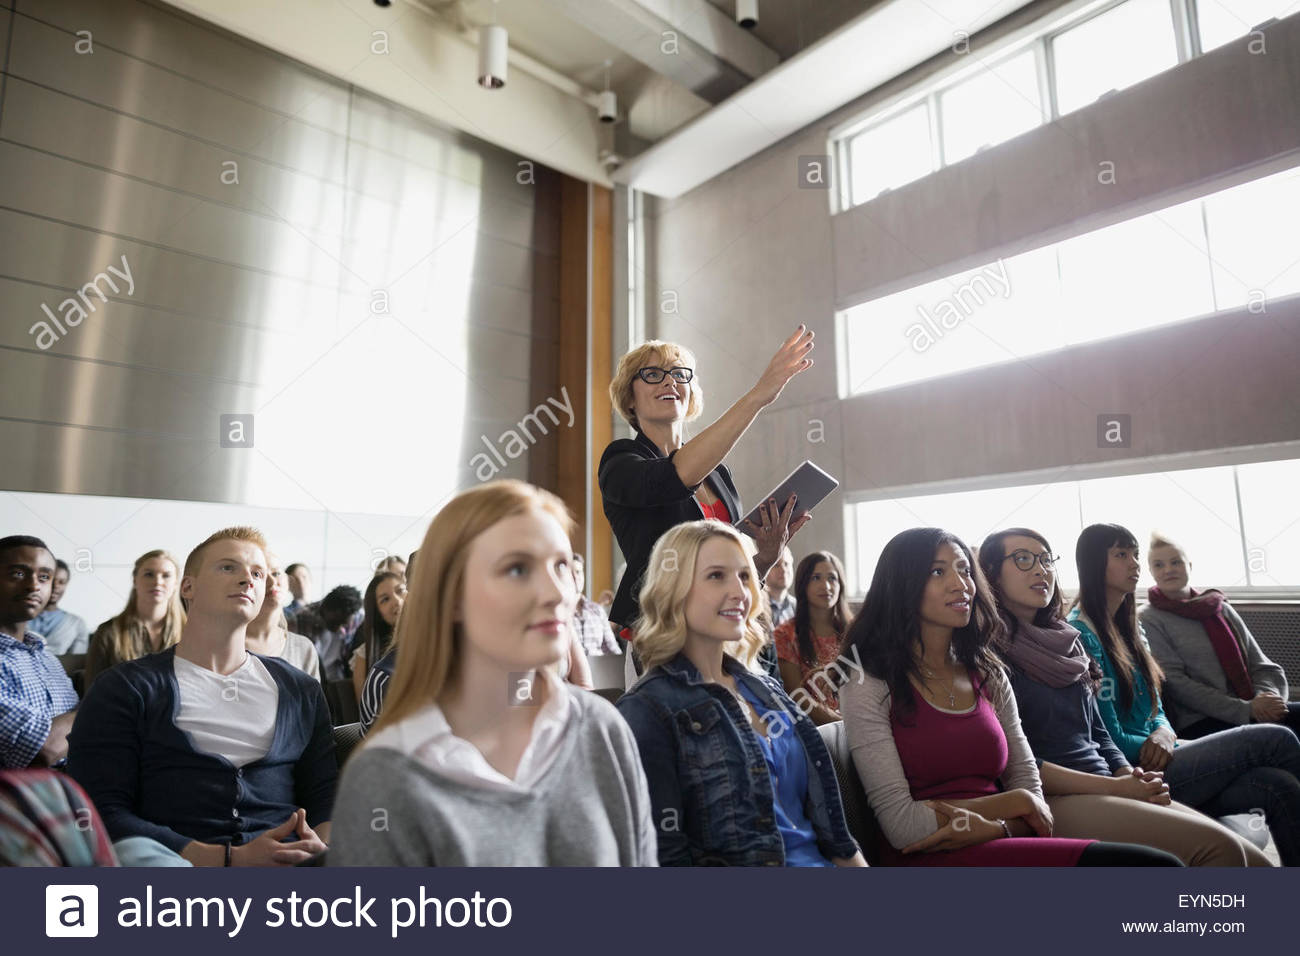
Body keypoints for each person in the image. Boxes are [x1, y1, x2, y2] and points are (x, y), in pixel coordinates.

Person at [329, 481, 656, 866]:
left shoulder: (601, 726)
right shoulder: (386, 776)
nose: (555, 592)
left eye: (561, 565)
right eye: (518, 569)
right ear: (449, 599)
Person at [840, 527, 1179, 866]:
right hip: (931, 854)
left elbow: (1034, 798)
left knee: (1169, 860)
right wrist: (1014, 804)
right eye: (937, 571)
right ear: (901, 586)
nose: (960, 584)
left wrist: (1001, 826)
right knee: (1155, 866)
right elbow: (904, 826)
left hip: (1002, 835)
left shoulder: (988, 671)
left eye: (964, 570)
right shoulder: (867, 682)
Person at [979, 527, 1270, 866]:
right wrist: (1117, 788)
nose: (1041, 569)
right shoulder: (990, 654)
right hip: (1056, 795)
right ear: (990, 575)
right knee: (1222, 850)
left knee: (1257, 862)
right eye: (1024, 559)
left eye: (1046, 560)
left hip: (1107, 778)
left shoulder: (1066, 641)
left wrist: (1124, 774)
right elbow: (1016, 763)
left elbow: (1099, 733)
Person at [67, 526, 337, 867]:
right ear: (188, 586)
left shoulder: (301, 690)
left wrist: (322, 847)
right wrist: (229, 859)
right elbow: (98, 809)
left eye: (257, 573)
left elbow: (325, 795)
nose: (247, 579)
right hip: (173, 863)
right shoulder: (124, 687)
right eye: (228, 567)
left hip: (290, 863)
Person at [617, 520, 866, 867]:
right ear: (674, 588)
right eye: (716, 575)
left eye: (745, 576)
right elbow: (665, 857)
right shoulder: (647, 710)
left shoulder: (765, 689)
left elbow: (836, 837)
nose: (739, 592)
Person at [1069, 523, 1300, 865]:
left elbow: (1156, 706)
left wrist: (1164, 732)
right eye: (1121, 554)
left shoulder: (1132, 626)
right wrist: (1158, 745)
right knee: (1276, 739)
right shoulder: (1081, 634)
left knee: (1276, 784)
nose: (1135, 564)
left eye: (1135, 554)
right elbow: (1108, 736)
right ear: (1093, 564)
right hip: (1137, 769)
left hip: (1166, 749)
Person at [599, 329, 817, 637]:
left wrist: (766, 558)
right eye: (652, 374)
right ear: (629, 398)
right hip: (662, 632)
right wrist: (758, 396)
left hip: (723, 630)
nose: (669, 381)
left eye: (679, 373)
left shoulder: (718, 474)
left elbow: (730, 570)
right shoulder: (621, 459)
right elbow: (675, 477)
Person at [1141, 533, 1298, 736]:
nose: (1168, 570)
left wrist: (1268, 700)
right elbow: (1176, 684)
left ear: (1189, 565)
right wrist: (1246, 709)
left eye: (1175, 562)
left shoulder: (1219, 606)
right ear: (1151, 572)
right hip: (1201, 721)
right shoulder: (1148, 618)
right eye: (1159, 565)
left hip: (1256, 706)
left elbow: (1262, 666)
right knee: (1280, 738)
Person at [0, 536, 79, 769]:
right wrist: (98, 704)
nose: (34, 585)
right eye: (18, 574)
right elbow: (44, 749)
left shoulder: (46, 657)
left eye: (44, 577)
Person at [84, 550, 186, 689]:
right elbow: (93, 691)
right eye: (149, 574)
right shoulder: (108, 632)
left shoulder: (191, 632)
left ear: (175, 584)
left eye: (166, 576)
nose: (158, 581)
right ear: (135, 580)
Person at [774, 551, 851, 725]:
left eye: (832, 578)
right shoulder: (785, 634)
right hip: (817, 730)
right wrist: (841, 723)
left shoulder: (856, 631)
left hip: (859, 717)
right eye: (816, 578)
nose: (826, 586)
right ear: (803, 584)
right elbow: (797, 696)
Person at [244, 554, 321, 680]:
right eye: (258, 574)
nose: (272, 581)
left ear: (287, 582)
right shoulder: (229, 646)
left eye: (276, 573)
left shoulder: (304, 648)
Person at [349, 571, 406, 701]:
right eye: (385, 599)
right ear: (377, 613)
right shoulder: (365, 654)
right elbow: (366, 708)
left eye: (400, 591)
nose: (397, 601)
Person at [31, 559, 90, 656]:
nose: (55, 586)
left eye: (61, 582)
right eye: (51, 580)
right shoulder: (19, 617)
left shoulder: (77, 624)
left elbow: (75, 662)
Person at [571, 553, 620, 657]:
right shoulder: (559, 612)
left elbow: (613, 648)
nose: (576, 577)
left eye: (578, 572)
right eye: (571, 573)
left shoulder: (597, 610)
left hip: (599, 669)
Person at [313, 585, 362, 682]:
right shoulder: (303, 618)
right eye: (335, 621)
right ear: (325, 609)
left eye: (343, 623)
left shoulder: (359, 620)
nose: (339, 628)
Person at [765, 547, 796, 627]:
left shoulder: (800, 608)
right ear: (764, 570)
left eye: (786, 564)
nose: (783, 569)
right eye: (776, 565)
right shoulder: (757, 607)